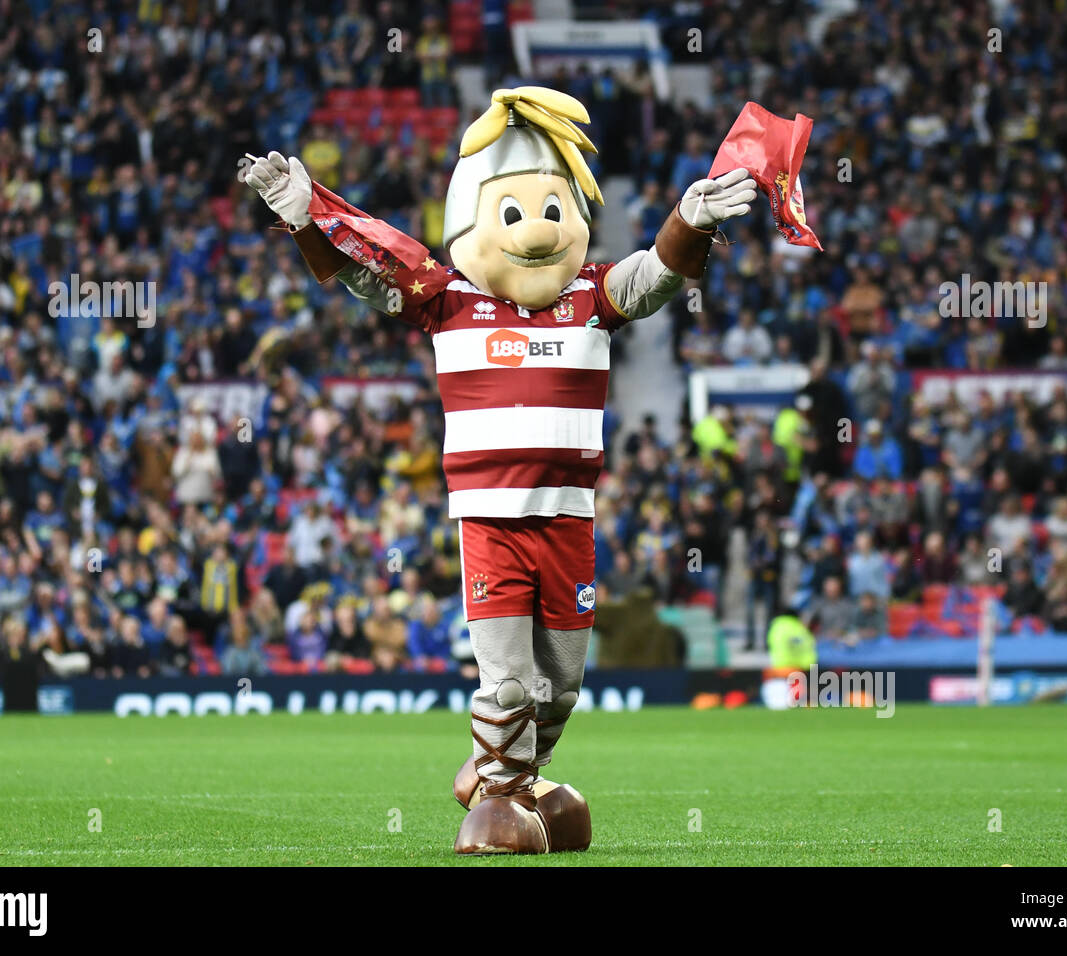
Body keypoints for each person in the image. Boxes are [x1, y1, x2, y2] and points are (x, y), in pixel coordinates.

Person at [245, 86, 757, 855]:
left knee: (562, 688)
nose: (538, 231)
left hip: (569, 520)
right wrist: (302, 211)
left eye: (554, 211)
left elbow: (652, 277)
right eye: (513, 213)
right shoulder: (448, 299)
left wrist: (693, 219)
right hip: (491, 521)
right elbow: (372, 265)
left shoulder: (590, 297)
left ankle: (501, 773)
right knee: (509, 682)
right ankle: (501, 801)